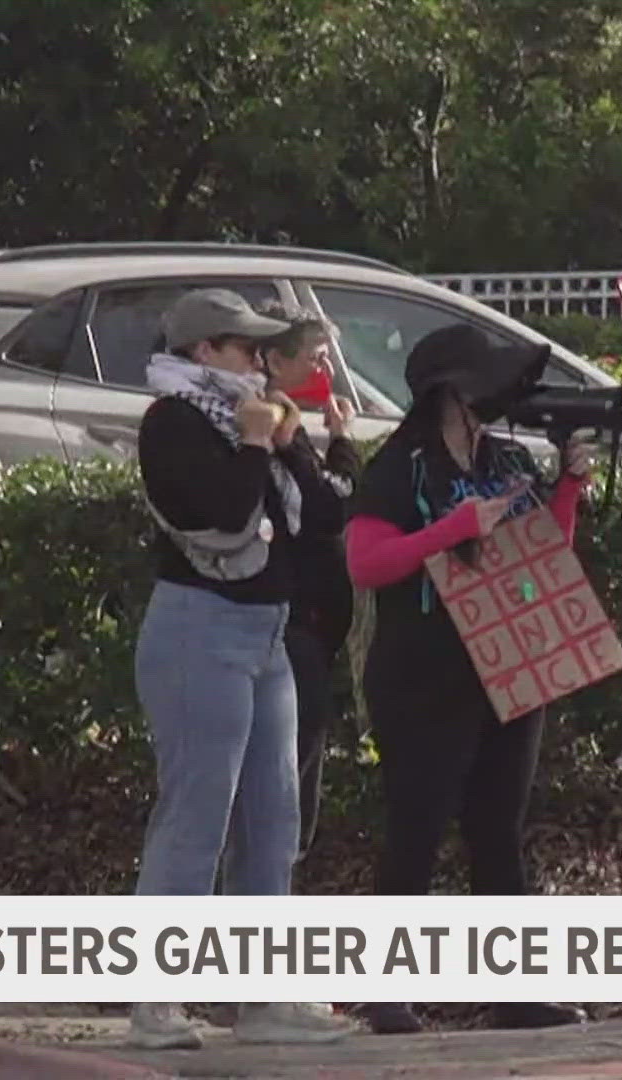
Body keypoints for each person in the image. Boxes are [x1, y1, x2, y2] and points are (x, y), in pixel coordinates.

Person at [343, 323, 591, 1035]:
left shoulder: (506, 460)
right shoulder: (401, 466)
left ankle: (513, 991)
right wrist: (451, 529)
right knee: (416, 827)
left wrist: (568, 484)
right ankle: (387, 990)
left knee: (499, 830)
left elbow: (550, 548)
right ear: (450, 392)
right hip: (424, 674)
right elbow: (367, 563)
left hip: (506, 664)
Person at [126, 288, 352, 1050]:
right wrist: (256, 446)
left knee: (272, 818)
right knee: (196, 817)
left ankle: (264, 996)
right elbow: (221, 514)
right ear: (201, 353)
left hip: (269, 636)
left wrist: (290, 445)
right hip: (200, 632)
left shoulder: (256, 418)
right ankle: (157, 1000)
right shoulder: (174, 423)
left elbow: (322, 518)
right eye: (243, 347)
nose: (260, 359)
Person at [252, 299, 361, 860]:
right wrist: (342, 447)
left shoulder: (284, 417)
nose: (324, 372)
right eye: (315, 358)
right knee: (289, 761)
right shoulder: (269, 422)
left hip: (310, 621)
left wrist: (335, 437)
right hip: (290, 620)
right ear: (272, 357)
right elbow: (327, 506)